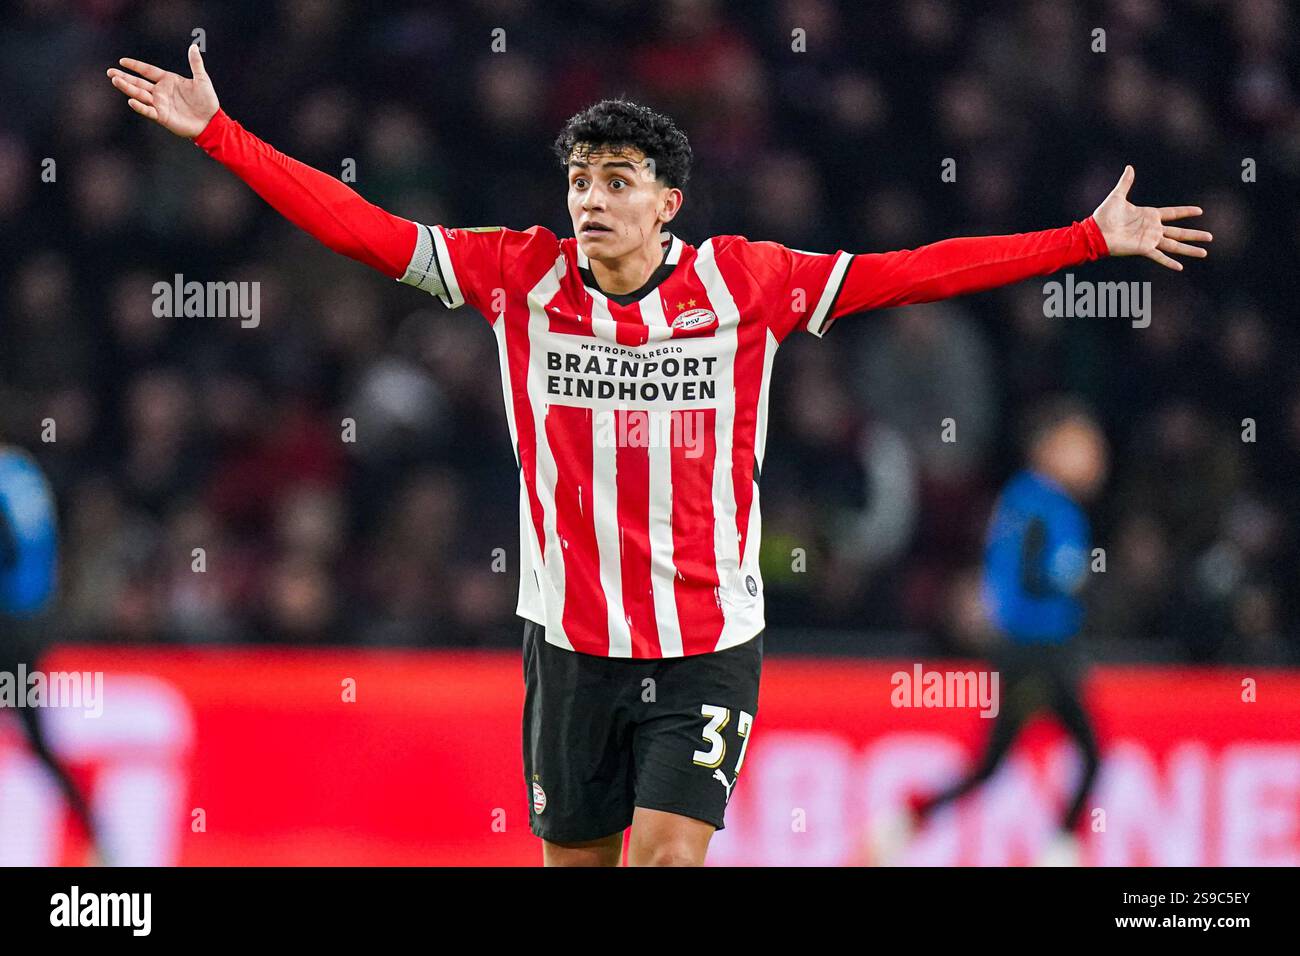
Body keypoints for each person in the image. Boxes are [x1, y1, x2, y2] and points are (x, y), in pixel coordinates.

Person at [107, 45, 1210, 866]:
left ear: (666, 201)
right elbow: (359, 226)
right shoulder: (513, 275)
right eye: (580, 179)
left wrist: (1080, 241)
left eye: (617, 180)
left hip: (705, 646)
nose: (590, 198)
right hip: (570, 647)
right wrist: (220, 135)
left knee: (668, 858)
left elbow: (915, 270)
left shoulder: (747, 283)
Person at [875, 399, 1108, 867]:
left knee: (995, 766)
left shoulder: (1021, 498)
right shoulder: (1045, 506)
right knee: (1087, 752)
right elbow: (1033, 576)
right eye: (1080, 445)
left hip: (1035, 648)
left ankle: (907, 820)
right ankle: (1059, 849)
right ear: (1047, 448)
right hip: (1037, 650)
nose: (1093, 458)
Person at [0, 443, 103, 863]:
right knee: (37, 739)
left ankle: (97, 836)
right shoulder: (22, 470)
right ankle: (97, 837)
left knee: (36, 737)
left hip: (8, 626)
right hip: (33, 622)